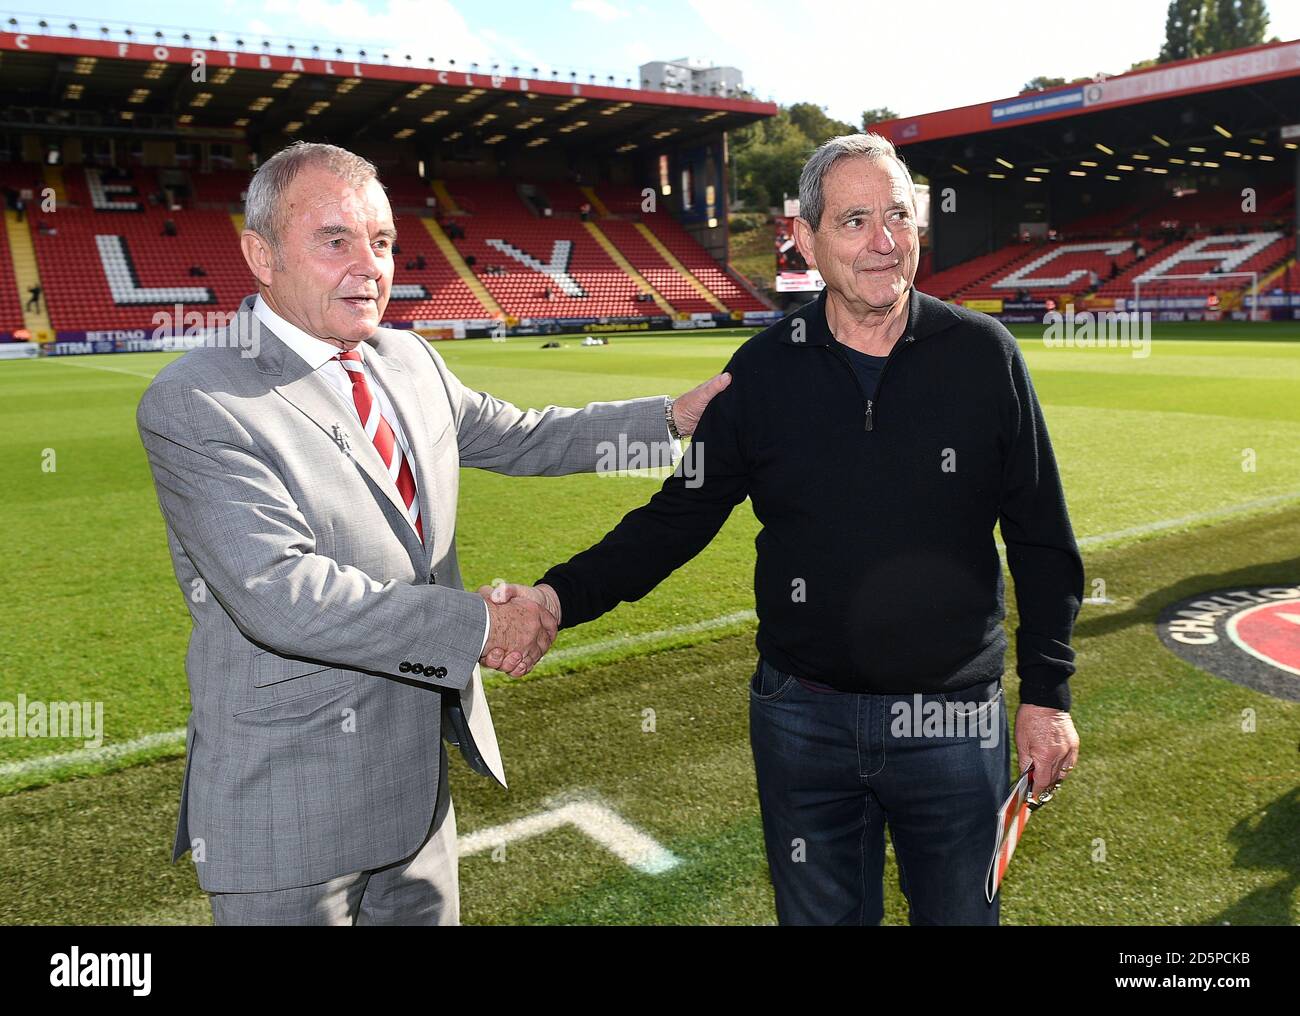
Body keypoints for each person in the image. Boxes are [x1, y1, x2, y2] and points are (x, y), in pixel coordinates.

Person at [489, 134, 1083, 926]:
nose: (884, 242)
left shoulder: (984, 355)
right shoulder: (765, 371)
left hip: (951, 723)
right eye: (856, 220)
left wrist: (1046, 694)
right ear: (804, 239)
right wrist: (556, 599)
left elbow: (1043, 538)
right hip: (803, 721)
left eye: (899, 217)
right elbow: (677, 519)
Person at [135, 141, 730, 926]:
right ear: (261, 255)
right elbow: (284, 596)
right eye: (335, 240)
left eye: (381, 242)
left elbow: (520, 436)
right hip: (289, 803)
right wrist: (485, 625)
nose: (369, 265)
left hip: (417, 788)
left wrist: (667, 419)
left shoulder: (405, 357)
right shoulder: (198, 401)